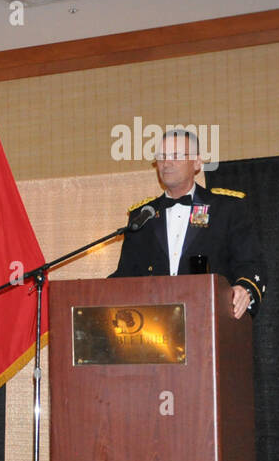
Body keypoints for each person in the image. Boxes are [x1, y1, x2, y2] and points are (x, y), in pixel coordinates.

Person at [112, 129, 266, 319]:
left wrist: (245, 288)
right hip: (154, 327)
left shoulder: (226, 208)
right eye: (161, 157)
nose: (166, 163)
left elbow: (250, 263)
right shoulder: (143, 215)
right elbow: (126, 275)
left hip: (210, 320)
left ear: (197, 162)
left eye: (175, 155)